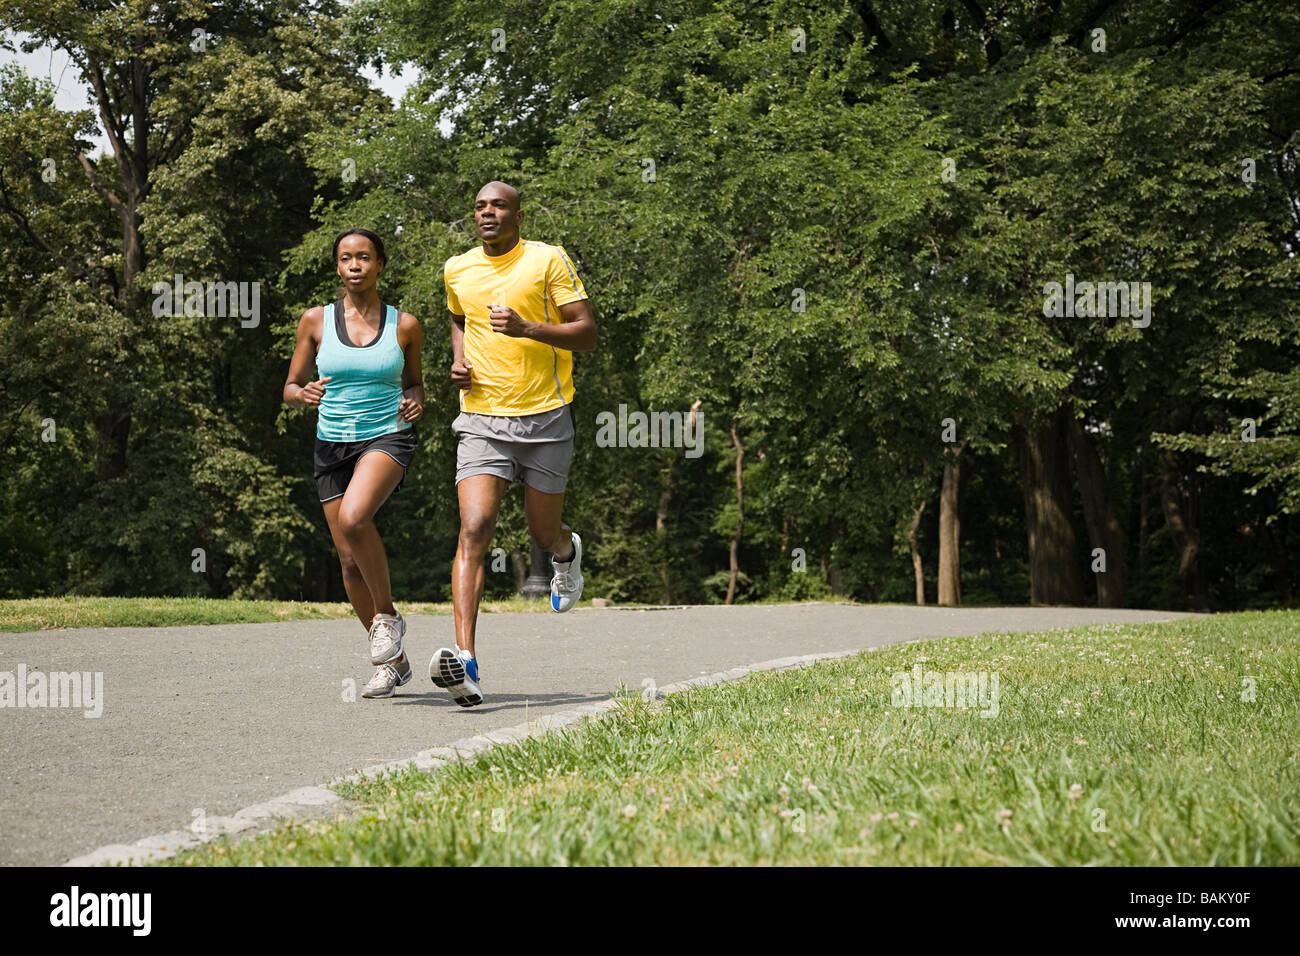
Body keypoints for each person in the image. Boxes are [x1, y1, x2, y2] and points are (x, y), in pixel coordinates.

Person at [431, 181, 598, 707]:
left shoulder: (547, 259)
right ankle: (467, 661)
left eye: (499, 205)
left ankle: (567, 553)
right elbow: (460, 317)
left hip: (546, 418)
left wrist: (528, 328)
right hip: (481, 419)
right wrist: (459, 360)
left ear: (518, 216)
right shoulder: (458, 268)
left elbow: (587, 333)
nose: (487, 212)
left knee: (543, 532)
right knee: (474, 527)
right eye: (480, 206)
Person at [283, 228, 424, 699]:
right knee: (347, 559)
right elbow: (290, 387)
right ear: (338, 267)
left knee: (355, 517)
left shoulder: (405, 325)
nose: (355, 266)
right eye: (346, 259)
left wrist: (416, 400)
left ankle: (387, 618)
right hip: (332, 444)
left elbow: (415, 383)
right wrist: (302, 394)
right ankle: (392, 663)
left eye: (364, 257)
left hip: (386, 436)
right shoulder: (315, 321)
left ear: (380, 263)